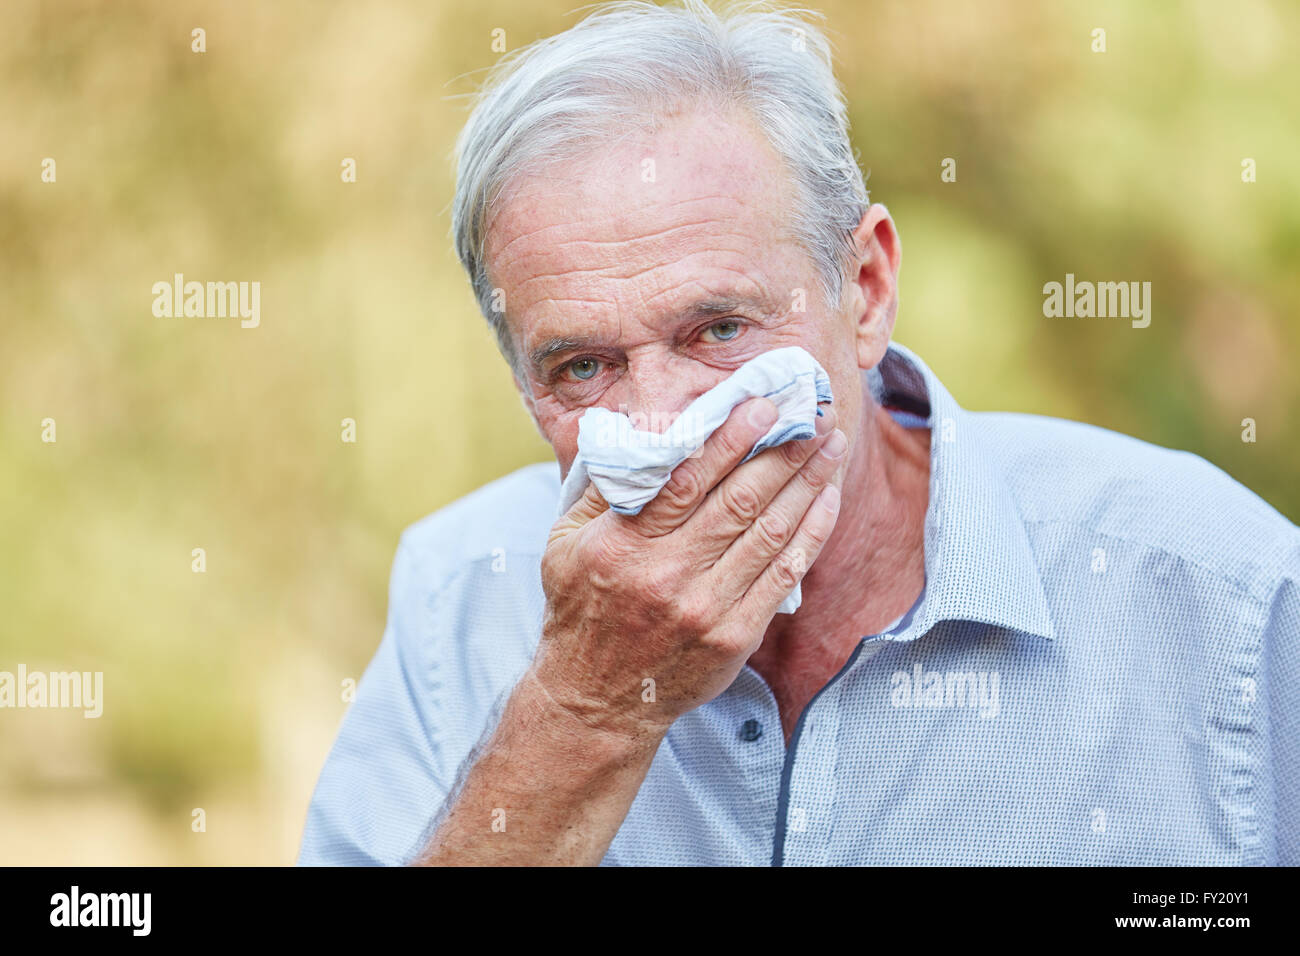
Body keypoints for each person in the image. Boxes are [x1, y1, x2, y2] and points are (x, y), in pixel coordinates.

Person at [297, 0, 1298, 866]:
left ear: (863, 291)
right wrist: (583, 708)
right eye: (581, 366)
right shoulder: (456, 597)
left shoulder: (1218, 598)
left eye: (720, 329)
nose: (659, 421)